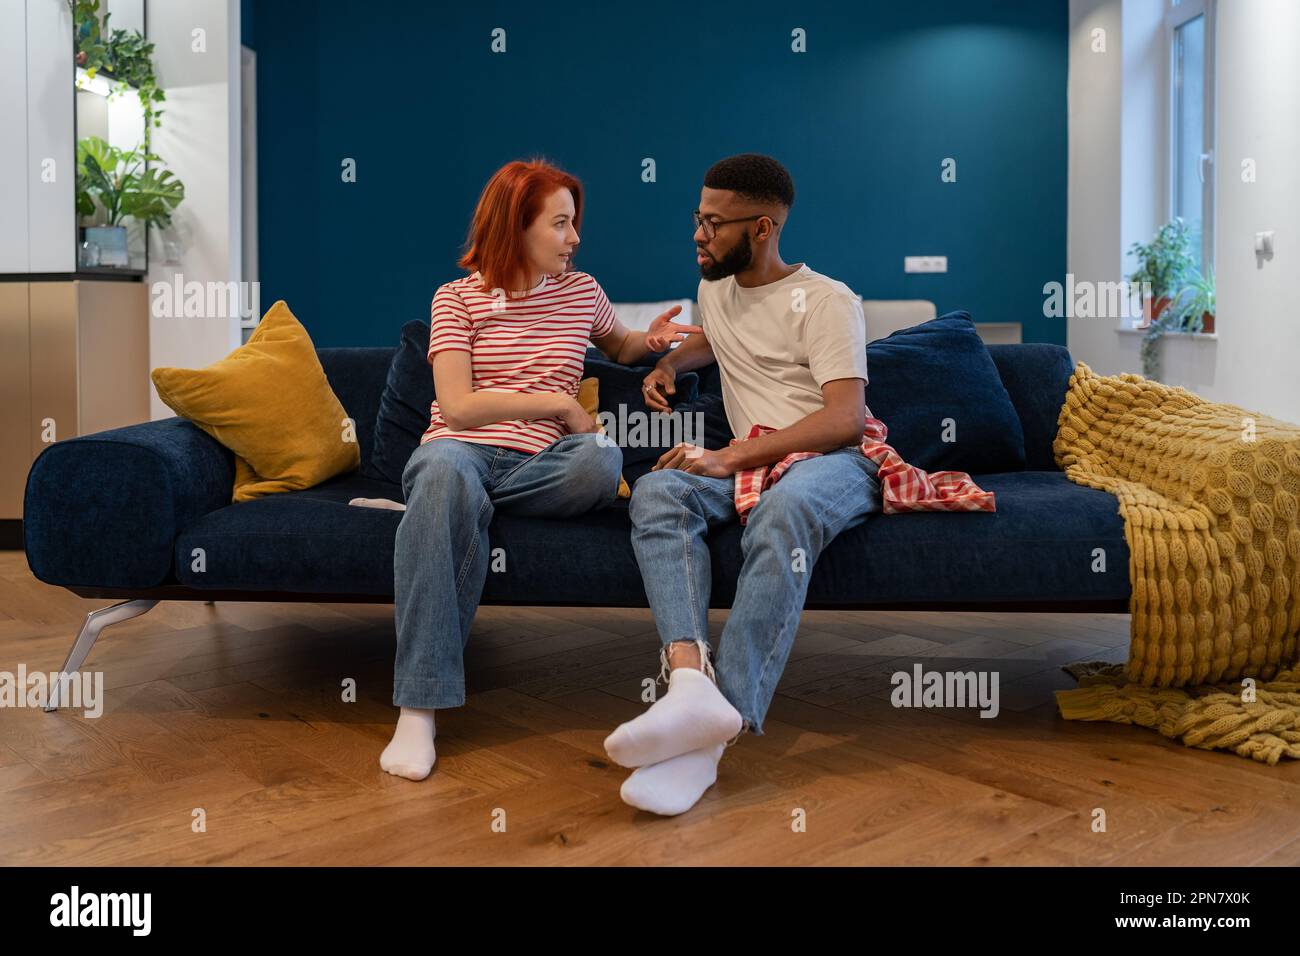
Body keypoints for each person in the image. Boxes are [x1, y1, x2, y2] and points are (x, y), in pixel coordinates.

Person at [380, 158, 700, 781]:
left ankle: (460, 511)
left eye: (574, 223)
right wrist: (557, 402)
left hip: (543, 467)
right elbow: (458, 406)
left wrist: (654, 341)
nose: (574, 238)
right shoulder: (457, 299)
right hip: (459, 449)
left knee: (602, 457)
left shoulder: (581, 291)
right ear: (515, 226)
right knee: (445, 475)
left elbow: (621, 347)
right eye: (560, 224)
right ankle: (418, 707)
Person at [606, 154, 882, 815]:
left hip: (832, 461)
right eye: (696, 219)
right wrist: (671, 363)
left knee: (784, 512)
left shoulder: (827, 301)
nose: (697, 234)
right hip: (750, 460)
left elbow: (845, 420)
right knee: (657, 490)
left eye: (712, 223)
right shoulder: (718, 292)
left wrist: (734, 456)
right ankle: (690, 686)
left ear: (761, 229)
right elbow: (726, 340)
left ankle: (711, 738)